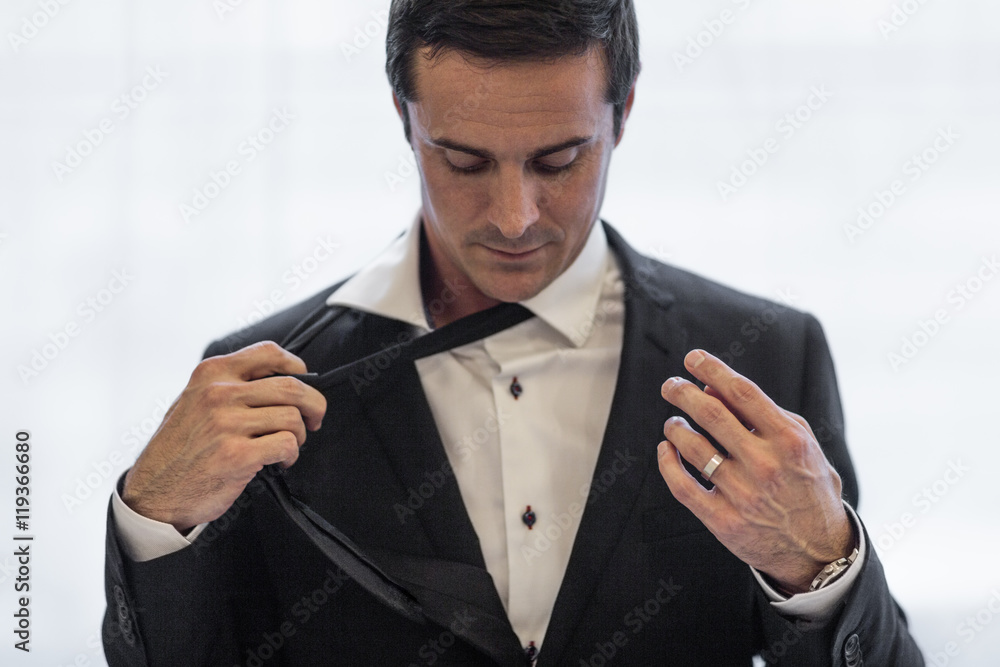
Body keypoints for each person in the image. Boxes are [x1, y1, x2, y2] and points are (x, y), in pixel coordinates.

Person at [103, 1, 923, 665]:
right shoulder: (254, 390)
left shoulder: (769, 356)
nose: (513, 217)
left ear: (623, 114)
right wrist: (154, 518)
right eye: (462, 162)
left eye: (559, 159)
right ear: (403, 117)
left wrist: (824, 568)